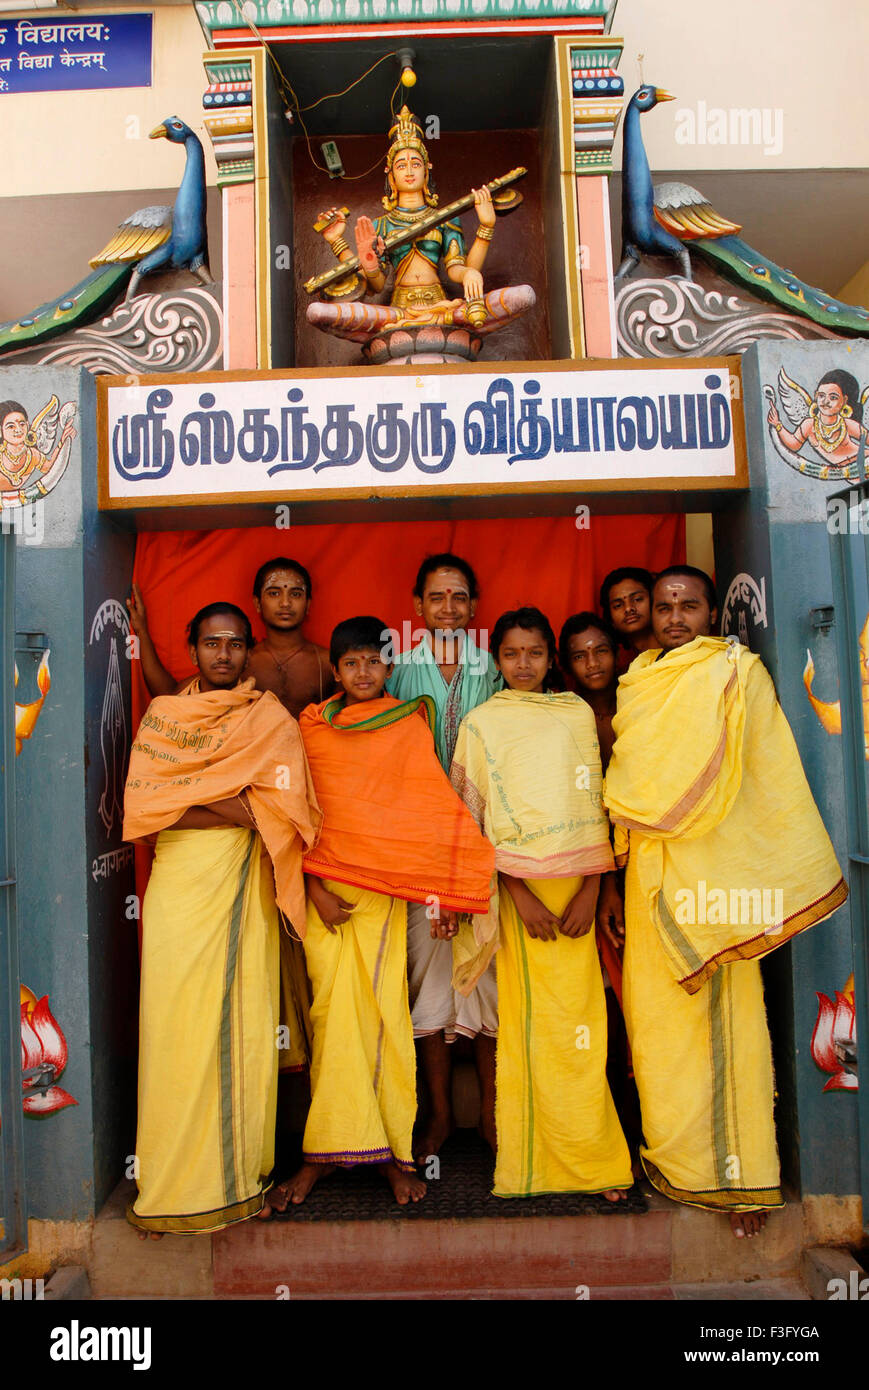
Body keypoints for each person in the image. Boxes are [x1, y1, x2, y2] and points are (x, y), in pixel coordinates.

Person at [604, 566, 848, 1239]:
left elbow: (761, 784)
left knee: (730, 1035)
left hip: (716, 889)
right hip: (647, 882)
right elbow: (629, 787)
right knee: (656, 1034)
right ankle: (680, 1165)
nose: (673, 617)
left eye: (687, 605)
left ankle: (742, 1181)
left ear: (713, 612)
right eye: (662, 607)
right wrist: (613, 884)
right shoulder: (638, 682)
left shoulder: (735, 672)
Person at [267, 616, 495, 1209]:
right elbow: (299, 816)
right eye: (351, 663)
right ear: (335, 671)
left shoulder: (406, 723)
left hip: (388, 899)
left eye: (374, 661)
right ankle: (322, 1154)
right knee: (333, 1023)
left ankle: (396, 1152)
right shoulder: (311, 728)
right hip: (326, 897)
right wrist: (313, 887)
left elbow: (427, 814)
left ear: (390, 667)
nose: (363, 672)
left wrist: (442, 892)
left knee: (389, 1021)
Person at [122, 603, 321, 1235]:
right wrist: (232, 807)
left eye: (236, 644)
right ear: (194, 649)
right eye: (212, 643)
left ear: (248, 652)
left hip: (240, 890)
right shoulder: (165, 717)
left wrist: (206, 800)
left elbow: (286, 806)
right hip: (179, 887)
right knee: (174, 1023)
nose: (224, 654)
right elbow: (147, 811)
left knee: (238, 1024)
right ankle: (174, 1184)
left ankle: (236, 1178)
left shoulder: (267, 720)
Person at [450, 607, 632, 1200]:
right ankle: (531, 1163)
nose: (523, 665)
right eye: (511, 654)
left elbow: (597, 805)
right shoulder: (480, 724)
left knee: (582, 1028)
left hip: (577, 891)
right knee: (526, 1029)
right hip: (517, 896)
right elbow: (472, 826)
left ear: (551, 658)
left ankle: (594, 1160)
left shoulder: (574, 713)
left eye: (534, 653)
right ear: (496, 660)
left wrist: (589, 887)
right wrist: (519, 895)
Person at [387, 553, 500, 1160]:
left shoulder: (497, 664)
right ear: (418, 608)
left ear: (473, 606)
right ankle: (435, 1116)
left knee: (486, 977)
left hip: (485, 840)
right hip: (418, 842)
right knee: (429, 979)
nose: (449, 608)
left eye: (459, 597)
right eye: (437, 598)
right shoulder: (399, 668)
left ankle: (489, 1112)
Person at [126, 555, 334, 719]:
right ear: (257, 603)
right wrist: (142, 631)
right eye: (274, 593)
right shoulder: (242, 659)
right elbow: (169, 694)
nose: (285, 603)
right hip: (253, 765)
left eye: (296, 594)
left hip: (312, 765)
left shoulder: (327, 662)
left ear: (307, 604)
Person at [599, 567, 656, 665]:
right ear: (610, 618)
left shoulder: (677, 652)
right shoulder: (627, 669)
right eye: (618, 605)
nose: (628, 608)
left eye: (637, 599)